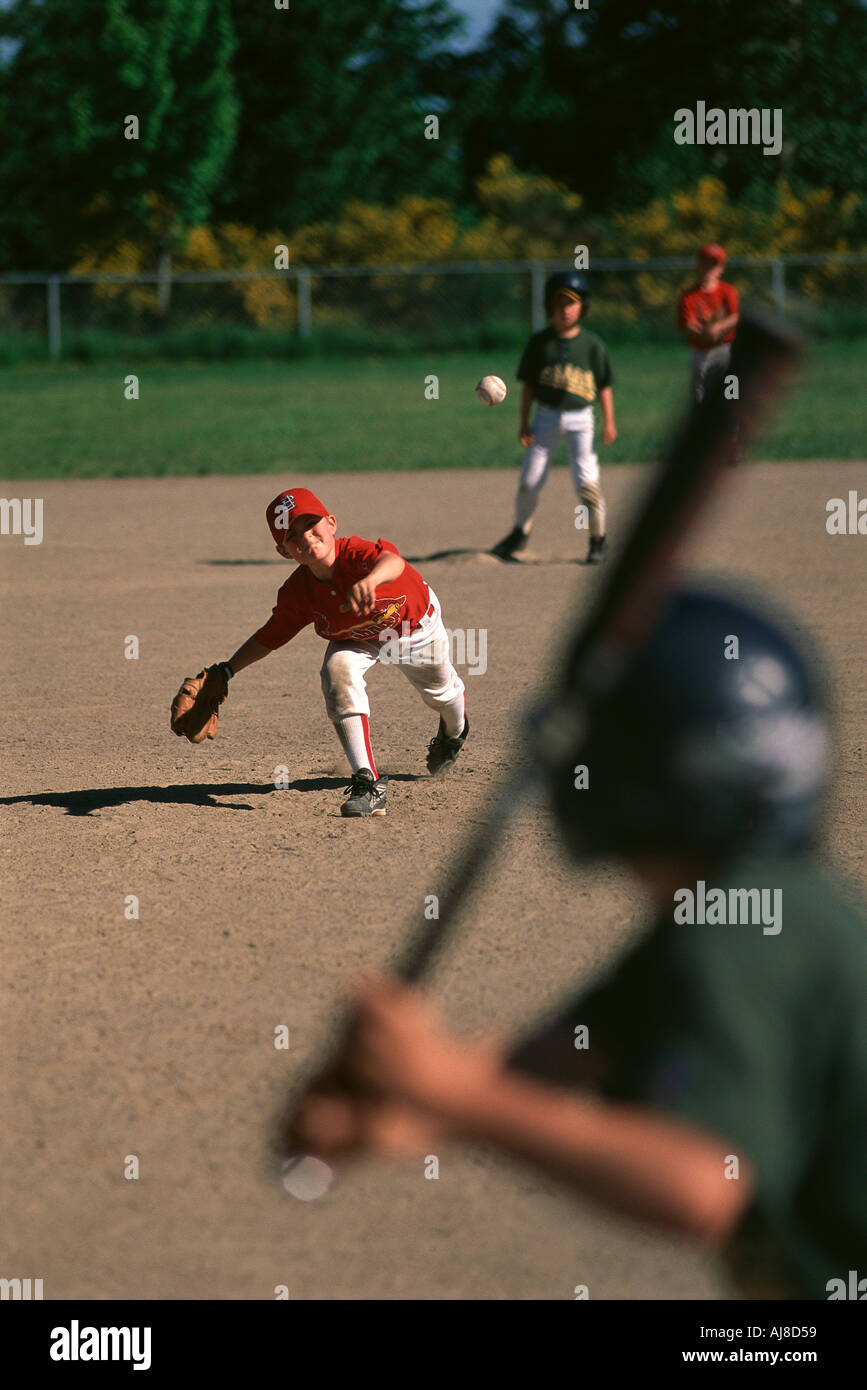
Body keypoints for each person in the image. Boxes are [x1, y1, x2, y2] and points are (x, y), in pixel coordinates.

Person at [285, 586, 867, 1298]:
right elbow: (562, 1051)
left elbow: (700, 1185)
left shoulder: (744, 933)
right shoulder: (737, 910)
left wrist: (450, 1090)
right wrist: (412, 1110)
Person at [209, 486, 468, 818]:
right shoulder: (297, 593)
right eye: (292, 535)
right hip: (357, 637)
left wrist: (371, 581)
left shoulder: (357, 554)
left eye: (310, 524)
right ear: (283, 551)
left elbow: (393, 562)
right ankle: (368, 782)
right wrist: (228, 669)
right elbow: (271, 635)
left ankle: (455, 730)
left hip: (412, 628)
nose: (306, 537)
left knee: (441, 695)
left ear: (331, 522)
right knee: (337, 670)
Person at [491, 271, 617, 566]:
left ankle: (598, 539)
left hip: (581, 419)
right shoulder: (540, 343)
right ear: (549, 307)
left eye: (571, 303)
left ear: (582, 308)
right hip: (545, 416)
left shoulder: (592, 345)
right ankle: (519, 532)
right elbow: (529, 387)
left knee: (587, 484)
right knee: (529, 481)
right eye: (558, 303)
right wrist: (524, 421)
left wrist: (609, 421)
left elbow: (604, 386)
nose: (564, 309)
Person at [677, 244, 740, 403]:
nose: (709, 269)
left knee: (730, 393)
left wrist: (717, 327)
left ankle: (732, 426)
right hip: (701, 351)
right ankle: (702, 425)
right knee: (699, 395)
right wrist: (707, 332)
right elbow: (688, 325)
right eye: (705, 264)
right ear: (698, 266)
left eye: (714, 265)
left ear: (721, 269)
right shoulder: (689, 296)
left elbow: (734, 317)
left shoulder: (727, 291)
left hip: (725, 348)